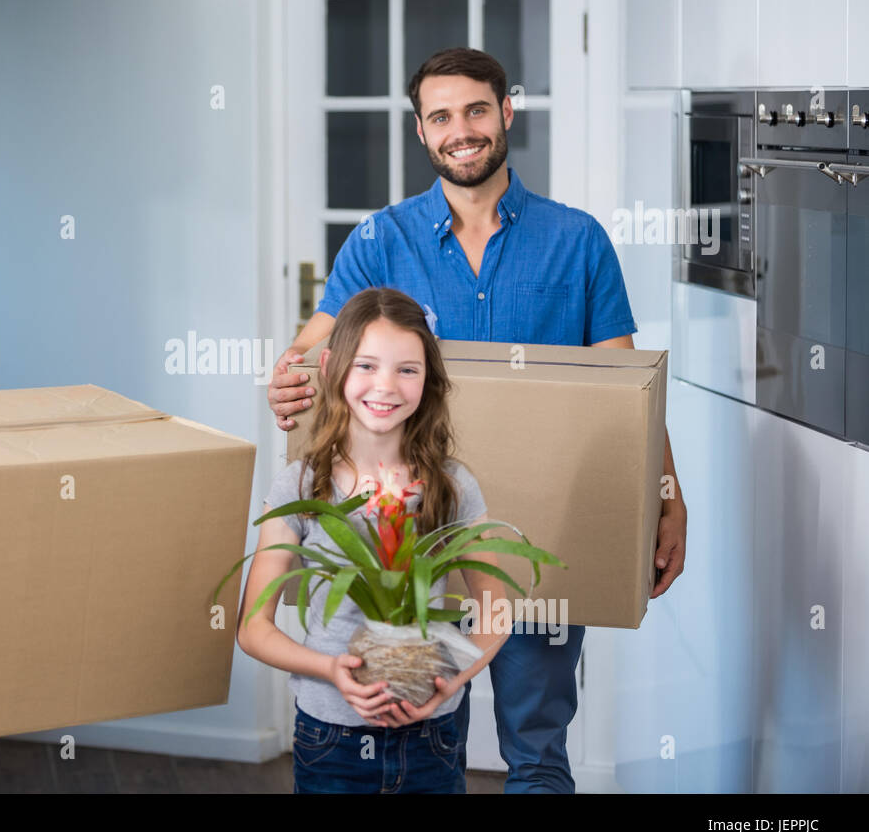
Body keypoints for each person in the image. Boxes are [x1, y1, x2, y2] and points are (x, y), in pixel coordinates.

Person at [267, 48, 689, 793]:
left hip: (535, 541)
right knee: (425, 735)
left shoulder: (577, 238)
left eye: (476, 111)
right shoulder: (379, 241)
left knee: (536, 746)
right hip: (409, 549)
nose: (461, 130)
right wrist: (292, 374)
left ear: (505, 114)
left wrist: (666, 495)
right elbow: (318, 345)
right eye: (441, 117)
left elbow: (629, 394)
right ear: (422, 132)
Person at [238, 287, 511, 793]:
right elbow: (253, 629)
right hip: (331, 734)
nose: (385, 385)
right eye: (366, 365)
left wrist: (451, 678)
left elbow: (496, 612)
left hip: (432, 732)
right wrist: (331, 669)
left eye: (407, 369)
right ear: (332, 370)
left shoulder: (451, 484)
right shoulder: (301, 486)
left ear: (428, 381)